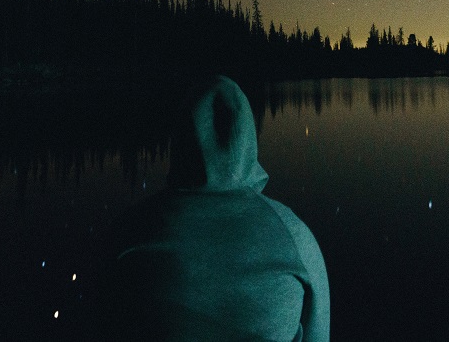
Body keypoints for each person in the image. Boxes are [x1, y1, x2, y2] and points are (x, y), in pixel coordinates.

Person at [92, 75, 329, 341]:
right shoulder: (294, 236)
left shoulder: (129, 232)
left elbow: (100, 324)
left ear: (181, 140)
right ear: (248, 140)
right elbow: (318, 334)